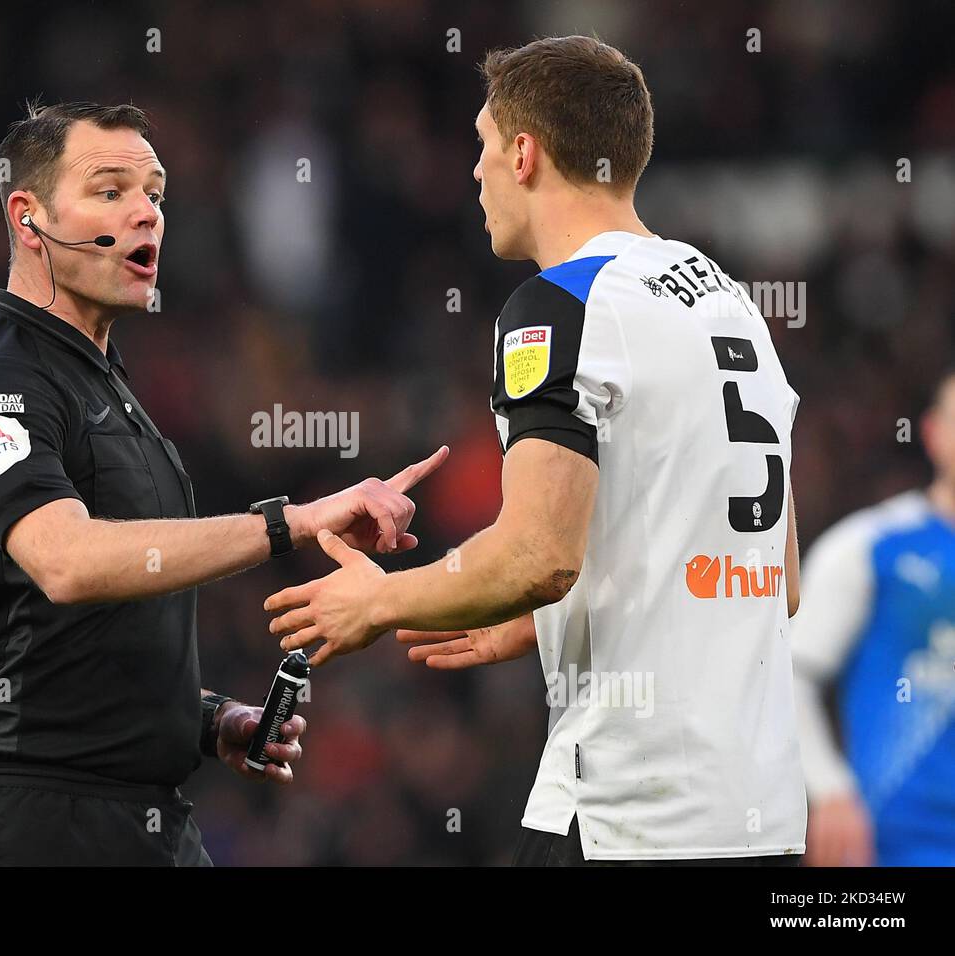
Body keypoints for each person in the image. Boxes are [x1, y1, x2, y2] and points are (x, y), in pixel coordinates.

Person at [265, 36, 806, 865]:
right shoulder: (732, 303)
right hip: (759, 813)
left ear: (524, 153)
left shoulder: (558, 306)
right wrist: (541, 619)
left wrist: (381, 601)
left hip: (628, 811)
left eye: (483, 147)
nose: (474, 173)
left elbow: (540, 556)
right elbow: (777, 575)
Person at [0, 100, 446, 865]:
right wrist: (287, 523)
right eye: (110, 192)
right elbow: (65, 562)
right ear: (28, 219)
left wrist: (202, 718)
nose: (147, 216)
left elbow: (81, 635)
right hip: (25, 821)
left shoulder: (106, 384)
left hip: (140, 816)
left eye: (155, 195)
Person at [793, 370, 955, 866]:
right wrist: (829, 791)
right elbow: (787, 671)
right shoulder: (872, 545)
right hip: (895, 843)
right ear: (931, 432)